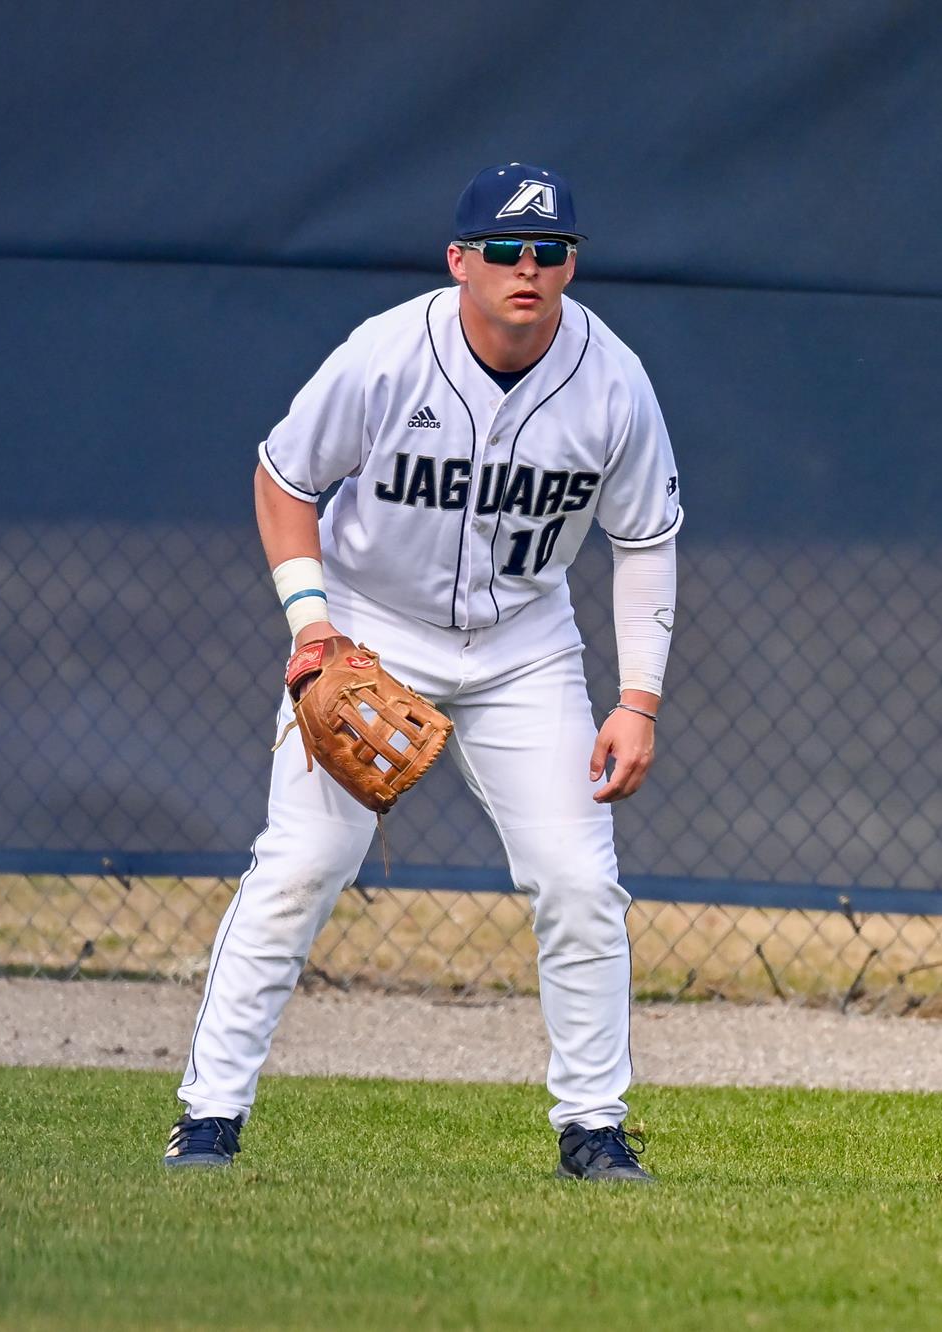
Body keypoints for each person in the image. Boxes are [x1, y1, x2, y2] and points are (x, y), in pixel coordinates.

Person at [166, 163, 682, 1183]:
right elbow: (282, 479)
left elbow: (647, 537)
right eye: (503, 250)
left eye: (549, 251)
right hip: (367, 631)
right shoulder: (386, 355)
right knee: (302, 867)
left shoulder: (612, 380)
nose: (526, 268)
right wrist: (312, 630)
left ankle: (594, 1130)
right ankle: (207, 1119)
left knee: (579, 882)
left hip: (524, 649)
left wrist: (636, 699)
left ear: (572, 264)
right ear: (459, 261)